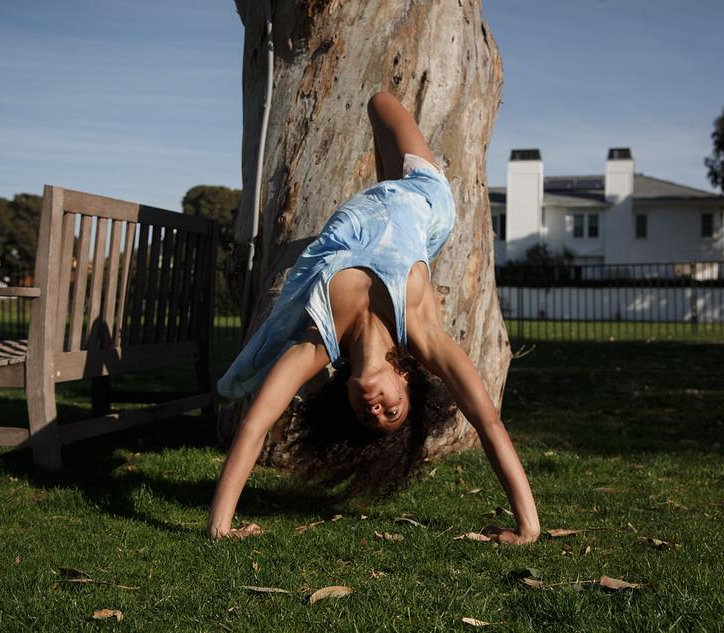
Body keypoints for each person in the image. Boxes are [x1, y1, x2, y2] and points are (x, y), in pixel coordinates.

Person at [207, 91, 540, 545]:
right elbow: (488, 423)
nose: (376, 408)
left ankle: (385, 182)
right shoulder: (423, 333)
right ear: (405, 378)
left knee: (375, 111)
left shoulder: (317, 340)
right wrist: (529, 527)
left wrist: (220, 527)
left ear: (345, 394)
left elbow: (254, 423)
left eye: (368, 418)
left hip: (376, 202)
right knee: (379, 100)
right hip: (424, 199)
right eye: (392, 410)